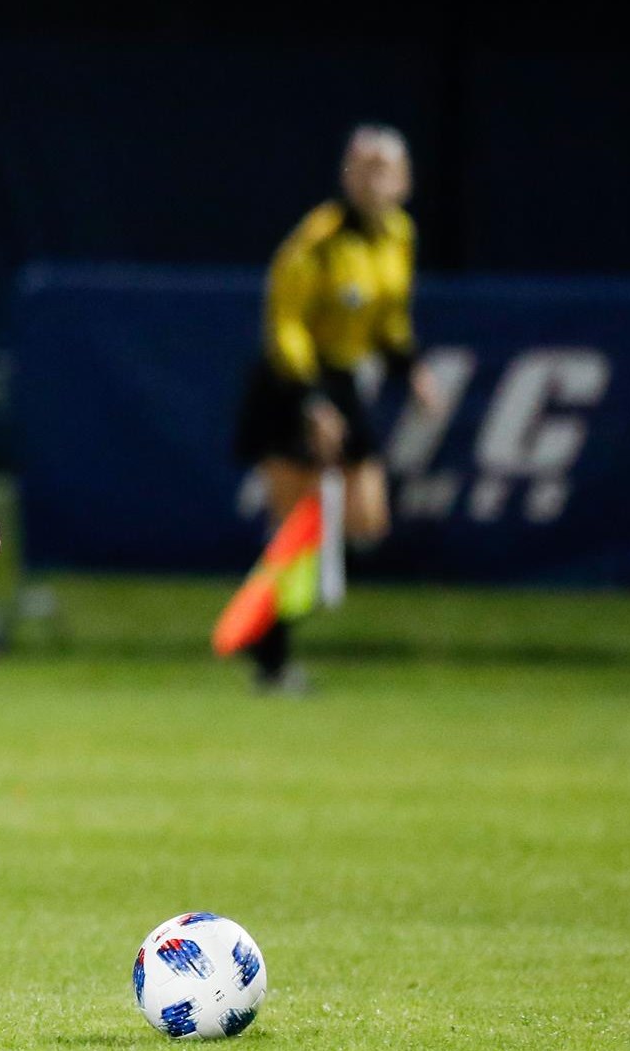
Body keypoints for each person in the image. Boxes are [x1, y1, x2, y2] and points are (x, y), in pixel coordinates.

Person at [231, 124, 442, 693]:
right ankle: (270, 658)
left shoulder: (399, 235)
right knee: (295, 521)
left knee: (364, 518)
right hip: (290, 384)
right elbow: (285, 323)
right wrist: (311, 401)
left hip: (343, 380)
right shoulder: (318, 239)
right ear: (347, 176)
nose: (372, 178)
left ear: (404, 180)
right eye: (361, 166)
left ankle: (270, 626)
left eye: (383, 167)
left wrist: (411, 368)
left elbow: (389, 319)